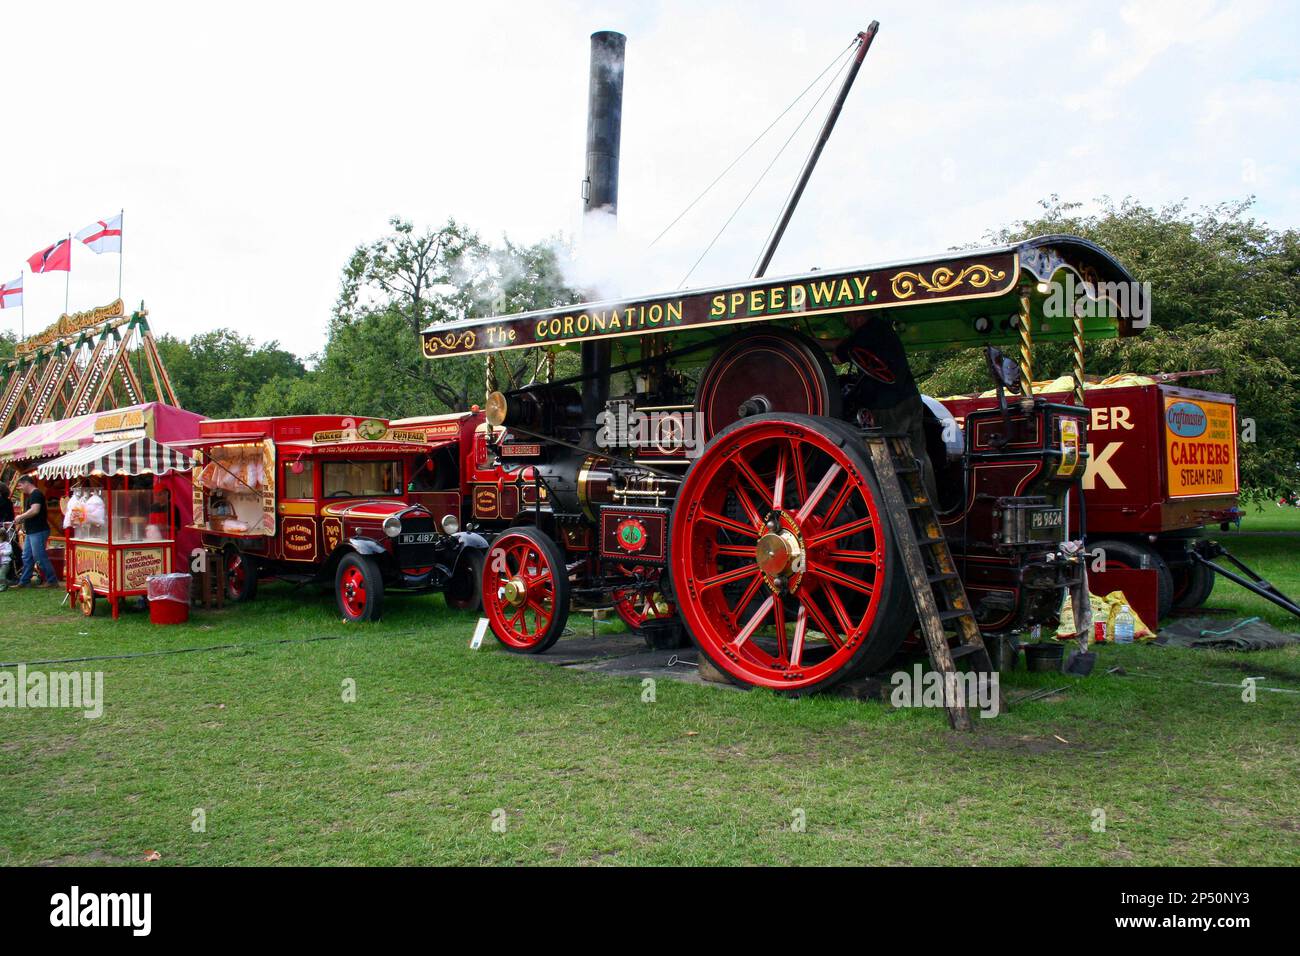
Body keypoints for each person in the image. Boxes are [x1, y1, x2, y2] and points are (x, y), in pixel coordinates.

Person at [837, 319, 938, 505]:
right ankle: (929, 505)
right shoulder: (883, 328)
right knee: (918, 455)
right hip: (911, 399)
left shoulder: (864, 333)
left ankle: (895, 511)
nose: (845, 321)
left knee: (884, 459)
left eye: (846, 317)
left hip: (887, 405)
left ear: (856, 315)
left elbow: (837, 356)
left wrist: (812, 341)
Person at [14, 474, 58, 589]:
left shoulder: (36, 494)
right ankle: (24, 581)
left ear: (27, 483)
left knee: (39, 556)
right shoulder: (32, 495)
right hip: (32, 531)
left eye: (20, 485)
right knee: (26, 556)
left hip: (38, 530)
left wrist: (21, 517)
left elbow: (35, 510)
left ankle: (52, 580)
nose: (20, 488)